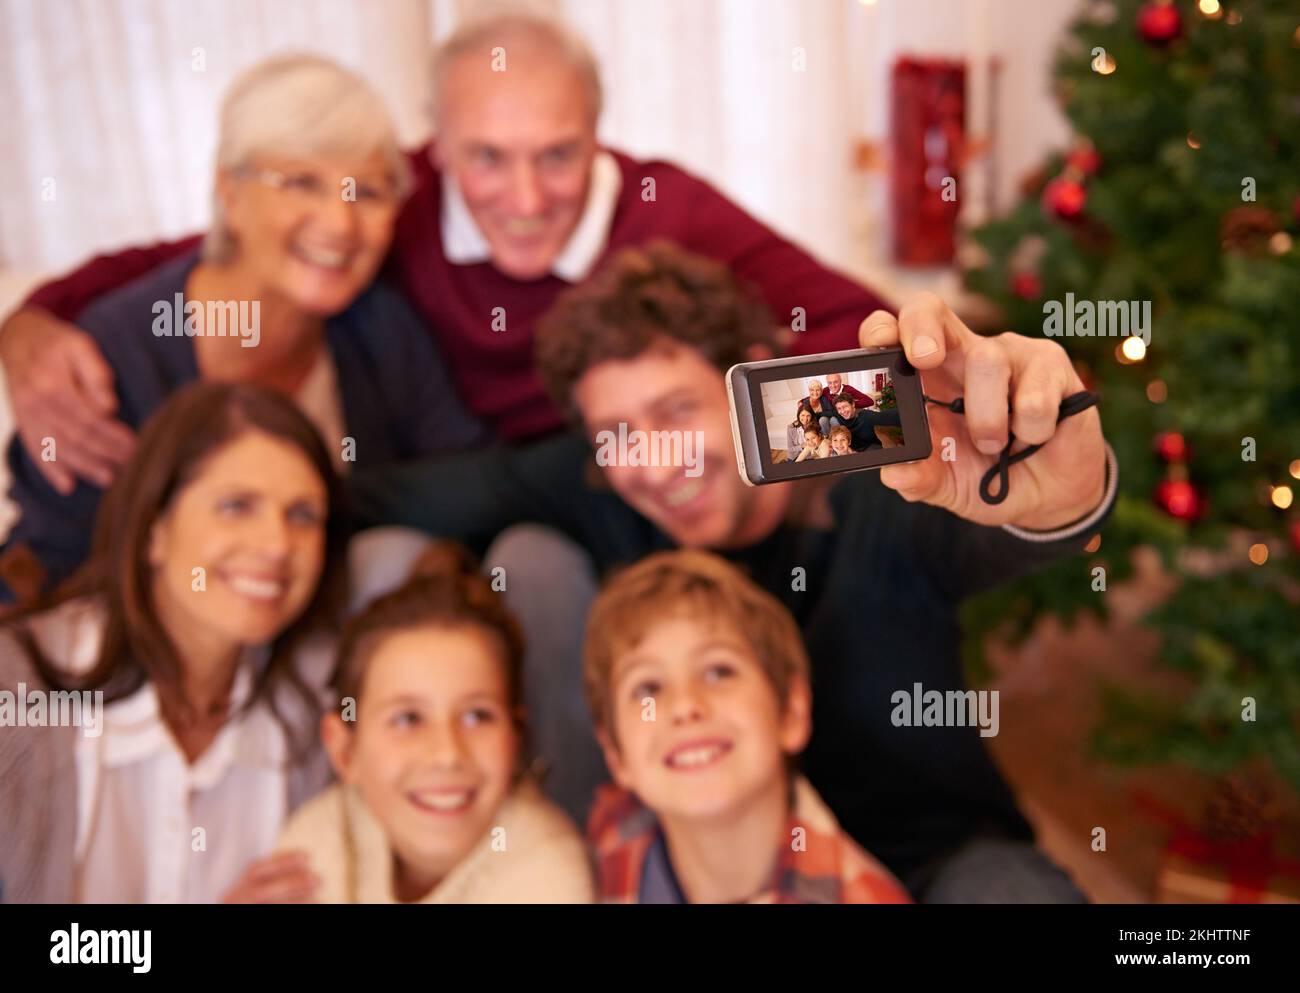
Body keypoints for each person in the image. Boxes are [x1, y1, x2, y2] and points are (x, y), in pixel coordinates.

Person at [349, 242, 1117, 902]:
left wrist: (1067, 491)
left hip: (926, 854)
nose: (655, 460)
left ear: (754, 378)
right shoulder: (604, 481)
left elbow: (1002, 525)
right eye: (618, 432)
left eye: (677, 409)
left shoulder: (854, 458)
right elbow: (415, 494)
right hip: (703, 855)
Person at [0, 10, 892, 497]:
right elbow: (216, 247)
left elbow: (880, 366)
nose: (528, 198)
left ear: (599, 137)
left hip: (638, 483)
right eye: (487, 159)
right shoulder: (400, 204)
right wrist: (30, 325)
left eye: (559, 154)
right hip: (477, 484)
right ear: (438, 145)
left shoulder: (671, 210)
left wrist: (729, 438)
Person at [0, 53, 487, 602]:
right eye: (301, 183)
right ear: (230, 194)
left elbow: (469, 484)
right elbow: (49, 570)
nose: (340, 223)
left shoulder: (380, 325)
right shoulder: (119, 350)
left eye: (368, 193)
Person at [0, 383, 349, 904]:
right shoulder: (16, 698)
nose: (277, 545)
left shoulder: (320, 706)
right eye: (236, 505)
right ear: (152, 532)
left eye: (302, 515)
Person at [584, 550, 910, 904]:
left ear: (791, 711)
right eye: (648, 688)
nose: (685, 706)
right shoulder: (606, 839)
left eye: (718, 672)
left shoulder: (863, 896)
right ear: (616, 756)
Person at [276, 544, 593, 903]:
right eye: (408, 719)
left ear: (516, 735)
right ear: (345, 750)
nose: (446, 754)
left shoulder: (547, 867)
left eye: (477, 716)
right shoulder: (322, 835)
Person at [830, 393, 901, 452]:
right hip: (851, 449)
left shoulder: (865, 415)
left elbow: (884, 416)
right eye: (839, 408)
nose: (842, 411)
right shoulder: (838, 415)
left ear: (853, 404)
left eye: (845, 406)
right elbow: (823, 414)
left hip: (870, 447)